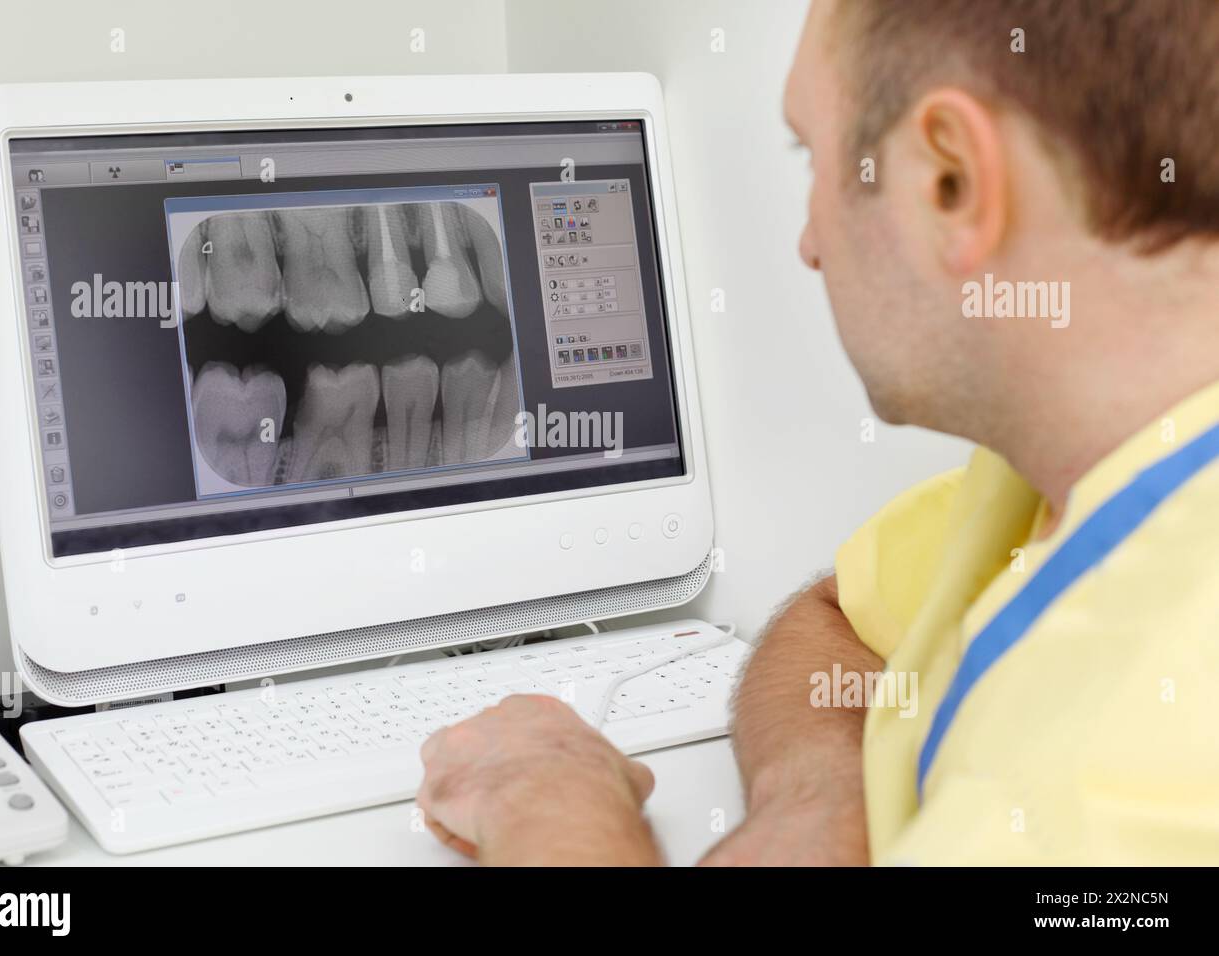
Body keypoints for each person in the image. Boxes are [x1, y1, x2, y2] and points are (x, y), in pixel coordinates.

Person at [416, 0, 1219, 865]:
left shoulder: (1121, 782)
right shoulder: (1079, 467)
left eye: (815, 155)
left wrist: (549, 798)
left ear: (953, 180)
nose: (808, 244)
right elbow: (837, 615)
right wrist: (825, 796)